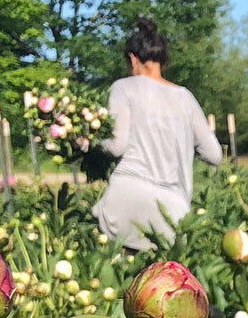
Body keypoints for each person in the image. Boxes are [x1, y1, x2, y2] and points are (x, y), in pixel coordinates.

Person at [91, 18, 223, 252]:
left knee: (121, 283)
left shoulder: (123, 87)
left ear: (133, 58)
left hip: (125, 204)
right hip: (171, 214)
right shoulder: (185, 97)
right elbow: (214, 155)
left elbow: (116, 146)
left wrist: (87, 143)